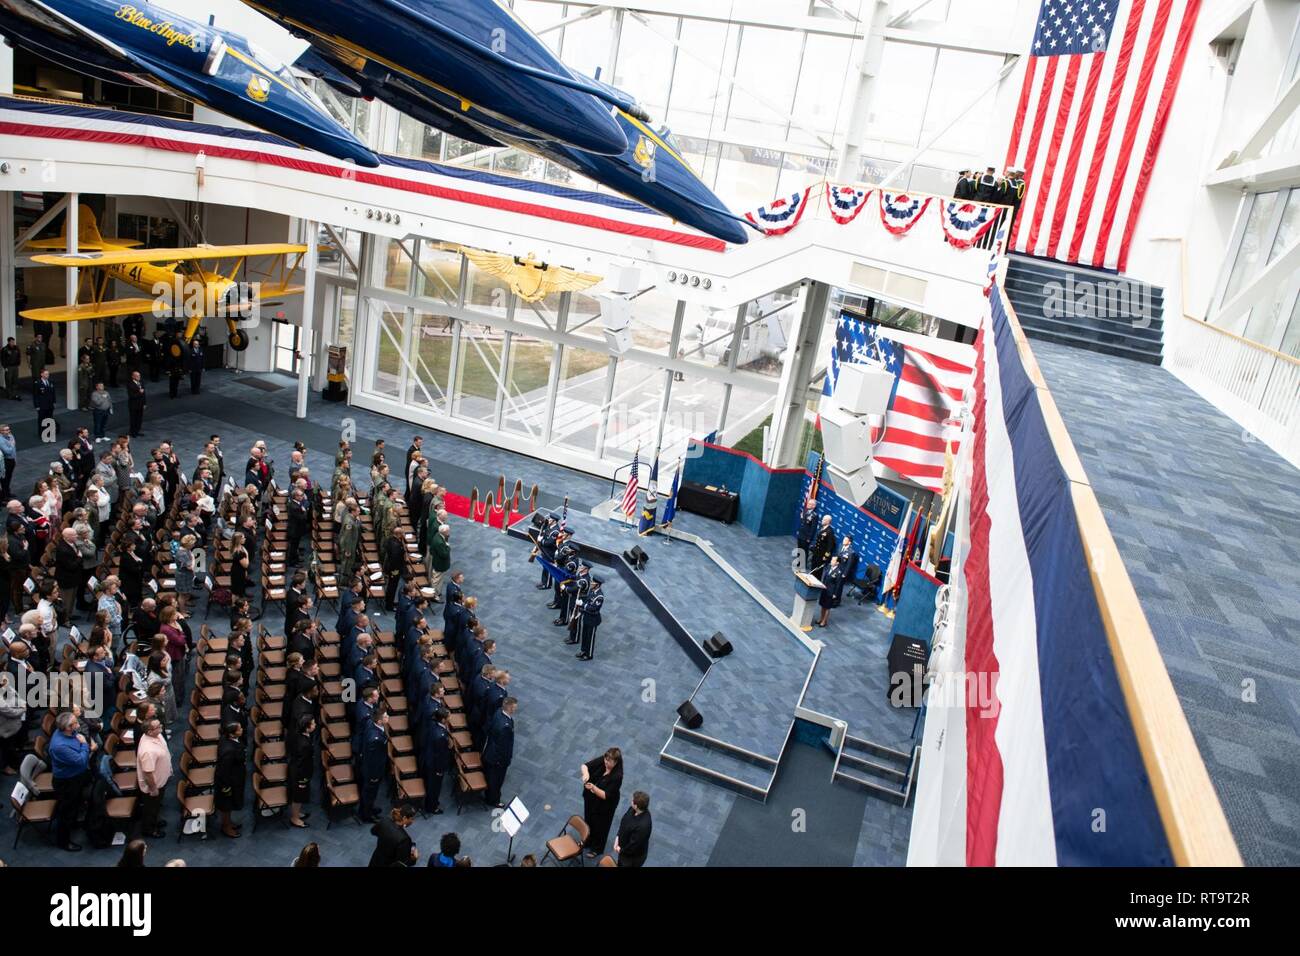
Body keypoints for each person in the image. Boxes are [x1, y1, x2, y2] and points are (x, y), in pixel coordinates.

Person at [49, 710, 95, 851]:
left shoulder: (69, 732)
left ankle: (73, 823)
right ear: (68, 727)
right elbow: (81, 761)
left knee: (75, 804)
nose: (78, 724)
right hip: (67, 782)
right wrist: (85, 746)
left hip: (76, 777)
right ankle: (64, 841)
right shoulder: (60, 746)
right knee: (66, 812)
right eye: (75, 723)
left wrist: (83, 744)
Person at [580, 747, 623, 858]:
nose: (606, 762)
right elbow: (585, 766)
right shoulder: (604, 759)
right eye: (606, 759)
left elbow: (606, 795)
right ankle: (587, 841)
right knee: (589, 818)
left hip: (606, 805)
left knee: (601, 826)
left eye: (609, 761)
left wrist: (593, 788)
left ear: (616, 762)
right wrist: (586, 775)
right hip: (591, 799)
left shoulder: (617, 776)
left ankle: (597, 848)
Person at [135, 717, 172, 838]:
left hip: (161, 780)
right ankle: (149, 829)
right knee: (151, 808)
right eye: (158, 727)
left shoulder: (156, 735)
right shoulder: (148, 750)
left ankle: (155, 820)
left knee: (156, 806)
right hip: (154, 785)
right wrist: (153, 788)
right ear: (150, 732)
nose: (161, 727)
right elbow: (148, 773)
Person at [482, 696, 516, 808]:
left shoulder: (498, 713)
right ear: (510, 708)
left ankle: (490, 795)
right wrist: (504, 761)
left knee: (491, 777)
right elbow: (503, 747)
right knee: (496, 780)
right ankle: (493, 800)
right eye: (514, 707)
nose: (515, 710)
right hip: (498, 758)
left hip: (490, 751)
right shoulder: (505, 726)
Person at [214, 722, 246, 838]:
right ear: (232, 734)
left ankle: (228, 822)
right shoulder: (229, 751)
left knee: (230, 804)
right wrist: (226, 787)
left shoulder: (228, 739)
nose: (242, 730)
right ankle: (226, 827)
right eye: (239, 729)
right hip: (227, 783)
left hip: (234, 778)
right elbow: (224, 771)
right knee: (226, 805)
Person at [287, 713, 314, 828]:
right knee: (298, 797)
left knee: (300, 796)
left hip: (297, 767)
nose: (315, 725)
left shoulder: (299, 734)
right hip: (299, 774)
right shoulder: (304, 744)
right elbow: (301, 764)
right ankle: (294, 818)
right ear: (307, 727)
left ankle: (297, 813)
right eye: (313, 723)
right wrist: (302, 779)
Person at [614, 790, 652, 868]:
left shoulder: (643, 826)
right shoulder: (632, 809)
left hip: (631, 858)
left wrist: (620, 850)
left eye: (632, 800)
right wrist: (617, 837)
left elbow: (633, 846)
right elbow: (623, 823)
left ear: (636, 806)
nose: (631, 801)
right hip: (623, 848)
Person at [576, 576, 604, 662]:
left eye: (593, 583)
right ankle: (584, 650)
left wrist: (583, 605)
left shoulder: (599, 596)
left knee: (590, 637)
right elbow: (587, 601)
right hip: (587, 616)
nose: (591, 583)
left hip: (593, 619)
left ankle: (589, 654)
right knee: (584, 635)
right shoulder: (592, 591)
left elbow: (593, 608)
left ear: (597, 585)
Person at [817, 555, 845, 628]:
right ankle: (821, 618)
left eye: (833, 560)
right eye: (831, 560)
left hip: (830, 592)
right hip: (824, 589)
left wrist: (835, 594)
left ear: (837, 563)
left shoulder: (838, 572)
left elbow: (838, 585)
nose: (831, 561)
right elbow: (825, 577)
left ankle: (824, 621)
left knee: (827, 607)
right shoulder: (829, 567)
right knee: (822, 605)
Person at [126, 371, 146, 438]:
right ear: (133, 376)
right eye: (137, 376)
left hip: (140, 404)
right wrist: (139, 392)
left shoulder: (141, 382)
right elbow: (131, 396)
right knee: (133, 419)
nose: (139, 377)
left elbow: (144, 394)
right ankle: (133, 432)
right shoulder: (130, 384)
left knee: (139, 419)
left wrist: (144, 403)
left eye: (139, 376)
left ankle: (137, 431)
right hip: (133, 405)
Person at [0, 424, 14, 503]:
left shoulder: (10, 436)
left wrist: (15, 459)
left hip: (11, 460)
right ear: (1, 432)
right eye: (5, 430)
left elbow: (13, 451)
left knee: (8, 478)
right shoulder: (1, 440)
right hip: (6, 461)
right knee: (4, 480)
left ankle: (7, 493)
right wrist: (11, 445)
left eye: (8, 429)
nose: (8, 431)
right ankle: (4, 497)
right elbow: (8, 452)